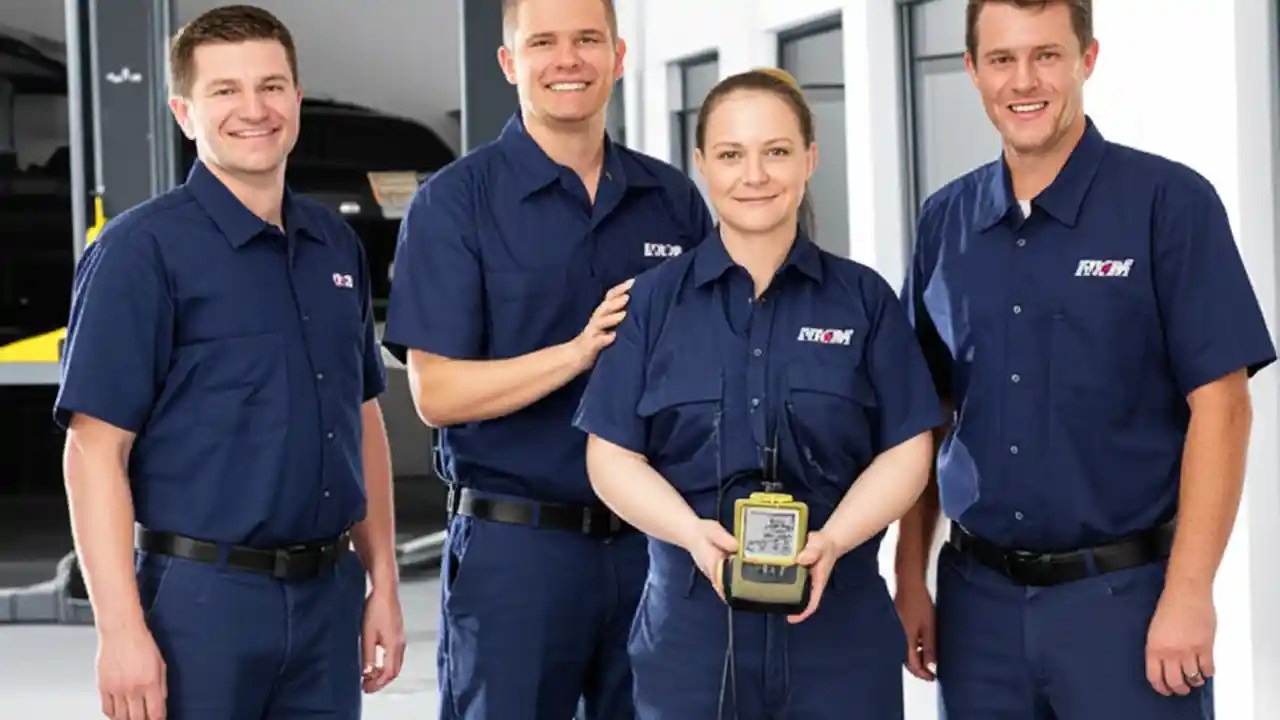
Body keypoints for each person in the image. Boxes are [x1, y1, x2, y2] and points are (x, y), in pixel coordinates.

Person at [894, 1, 1277, 718]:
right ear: (972, 69)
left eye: (1046, 54)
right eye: (1002, 59)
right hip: (977, 611)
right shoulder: (944, 220)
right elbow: (929, 413)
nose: (1024, 80)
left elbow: (1223, 408)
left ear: (1086, 60)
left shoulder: (1171, 204)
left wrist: (1190, 594)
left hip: (1126, 608)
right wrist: (909, 573)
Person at [53, 5, 406, 718]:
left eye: (272, 86)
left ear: (297, 101)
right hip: (199, 605)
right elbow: (94, 451)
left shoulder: (335, 248)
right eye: (224, 91)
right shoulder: (138, 254)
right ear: (185, 112)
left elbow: (361, 419)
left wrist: (384, 583)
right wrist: (120, 631)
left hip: (327, 597)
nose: (254, 109)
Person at [573, 67, 943, 719]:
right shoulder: (652, 303)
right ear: (701, 165)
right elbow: (611, 457)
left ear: (809, 159)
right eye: (731, 154)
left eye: (776, 151)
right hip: (692, 633)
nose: (755, 175)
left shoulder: (865, 301)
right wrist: (690, 533)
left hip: (839, 632)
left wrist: (834, 540)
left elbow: (909, 449)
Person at [380, 0, 715, 716]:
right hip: (517, 551)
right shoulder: (454, 204)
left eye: (588, 40)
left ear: (618, 57)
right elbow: (435, 392)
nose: (568, 60)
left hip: (653, 546)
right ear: (510, 63)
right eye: (544, 43)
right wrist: (576, 353)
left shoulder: (672, 201)